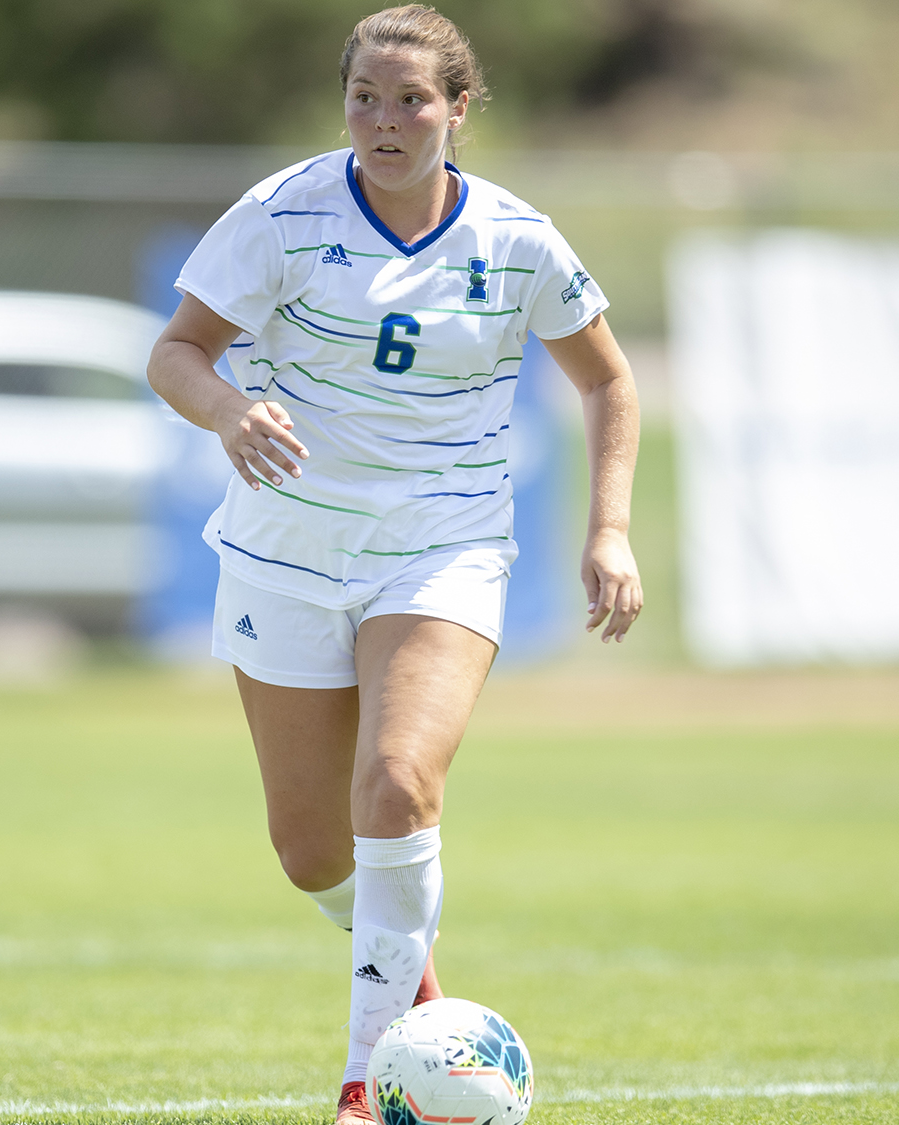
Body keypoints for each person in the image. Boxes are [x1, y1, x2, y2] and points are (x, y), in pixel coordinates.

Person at [148, 6, 641, 1121]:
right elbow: (173, 353)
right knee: (311, 849)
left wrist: (606, 528)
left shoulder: (516, 241)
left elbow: (608, 381)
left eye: (410, 99)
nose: (383, 120)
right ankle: (413, 986)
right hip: (286, 552)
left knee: (398, 787)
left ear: (458, 111)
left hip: (444, 547)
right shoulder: (281, 215)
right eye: (363, 97)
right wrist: (227, 411)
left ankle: (367, 1081)